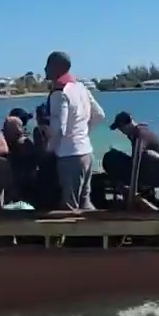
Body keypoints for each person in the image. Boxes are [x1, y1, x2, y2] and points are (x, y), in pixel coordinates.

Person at [44, 51, 105, 211]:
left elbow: (59, 129)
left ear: (57, 67)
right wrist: (83, 133)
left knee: (69, 208)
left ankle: (74, 236)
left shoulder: (59, 93)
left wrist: (49, 148)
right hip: (86, 153)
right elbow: (99, 115)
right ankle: (97, 234)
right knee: (85, 203)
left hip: (69, 156)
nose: (45, 69)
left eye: (48, 65)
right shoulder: (81, 88)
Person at [103, 111, 159, 207]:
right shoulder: (139, 133)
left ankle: (142, 190)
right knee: (114, 156)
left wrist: (131, 194)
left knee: (112, 158)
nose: (121, 130)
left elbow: (137, 162)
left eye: (122, 127)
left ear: (129, 123)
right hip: (157, 170)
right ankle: (144, 191)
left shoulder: (140, 135)